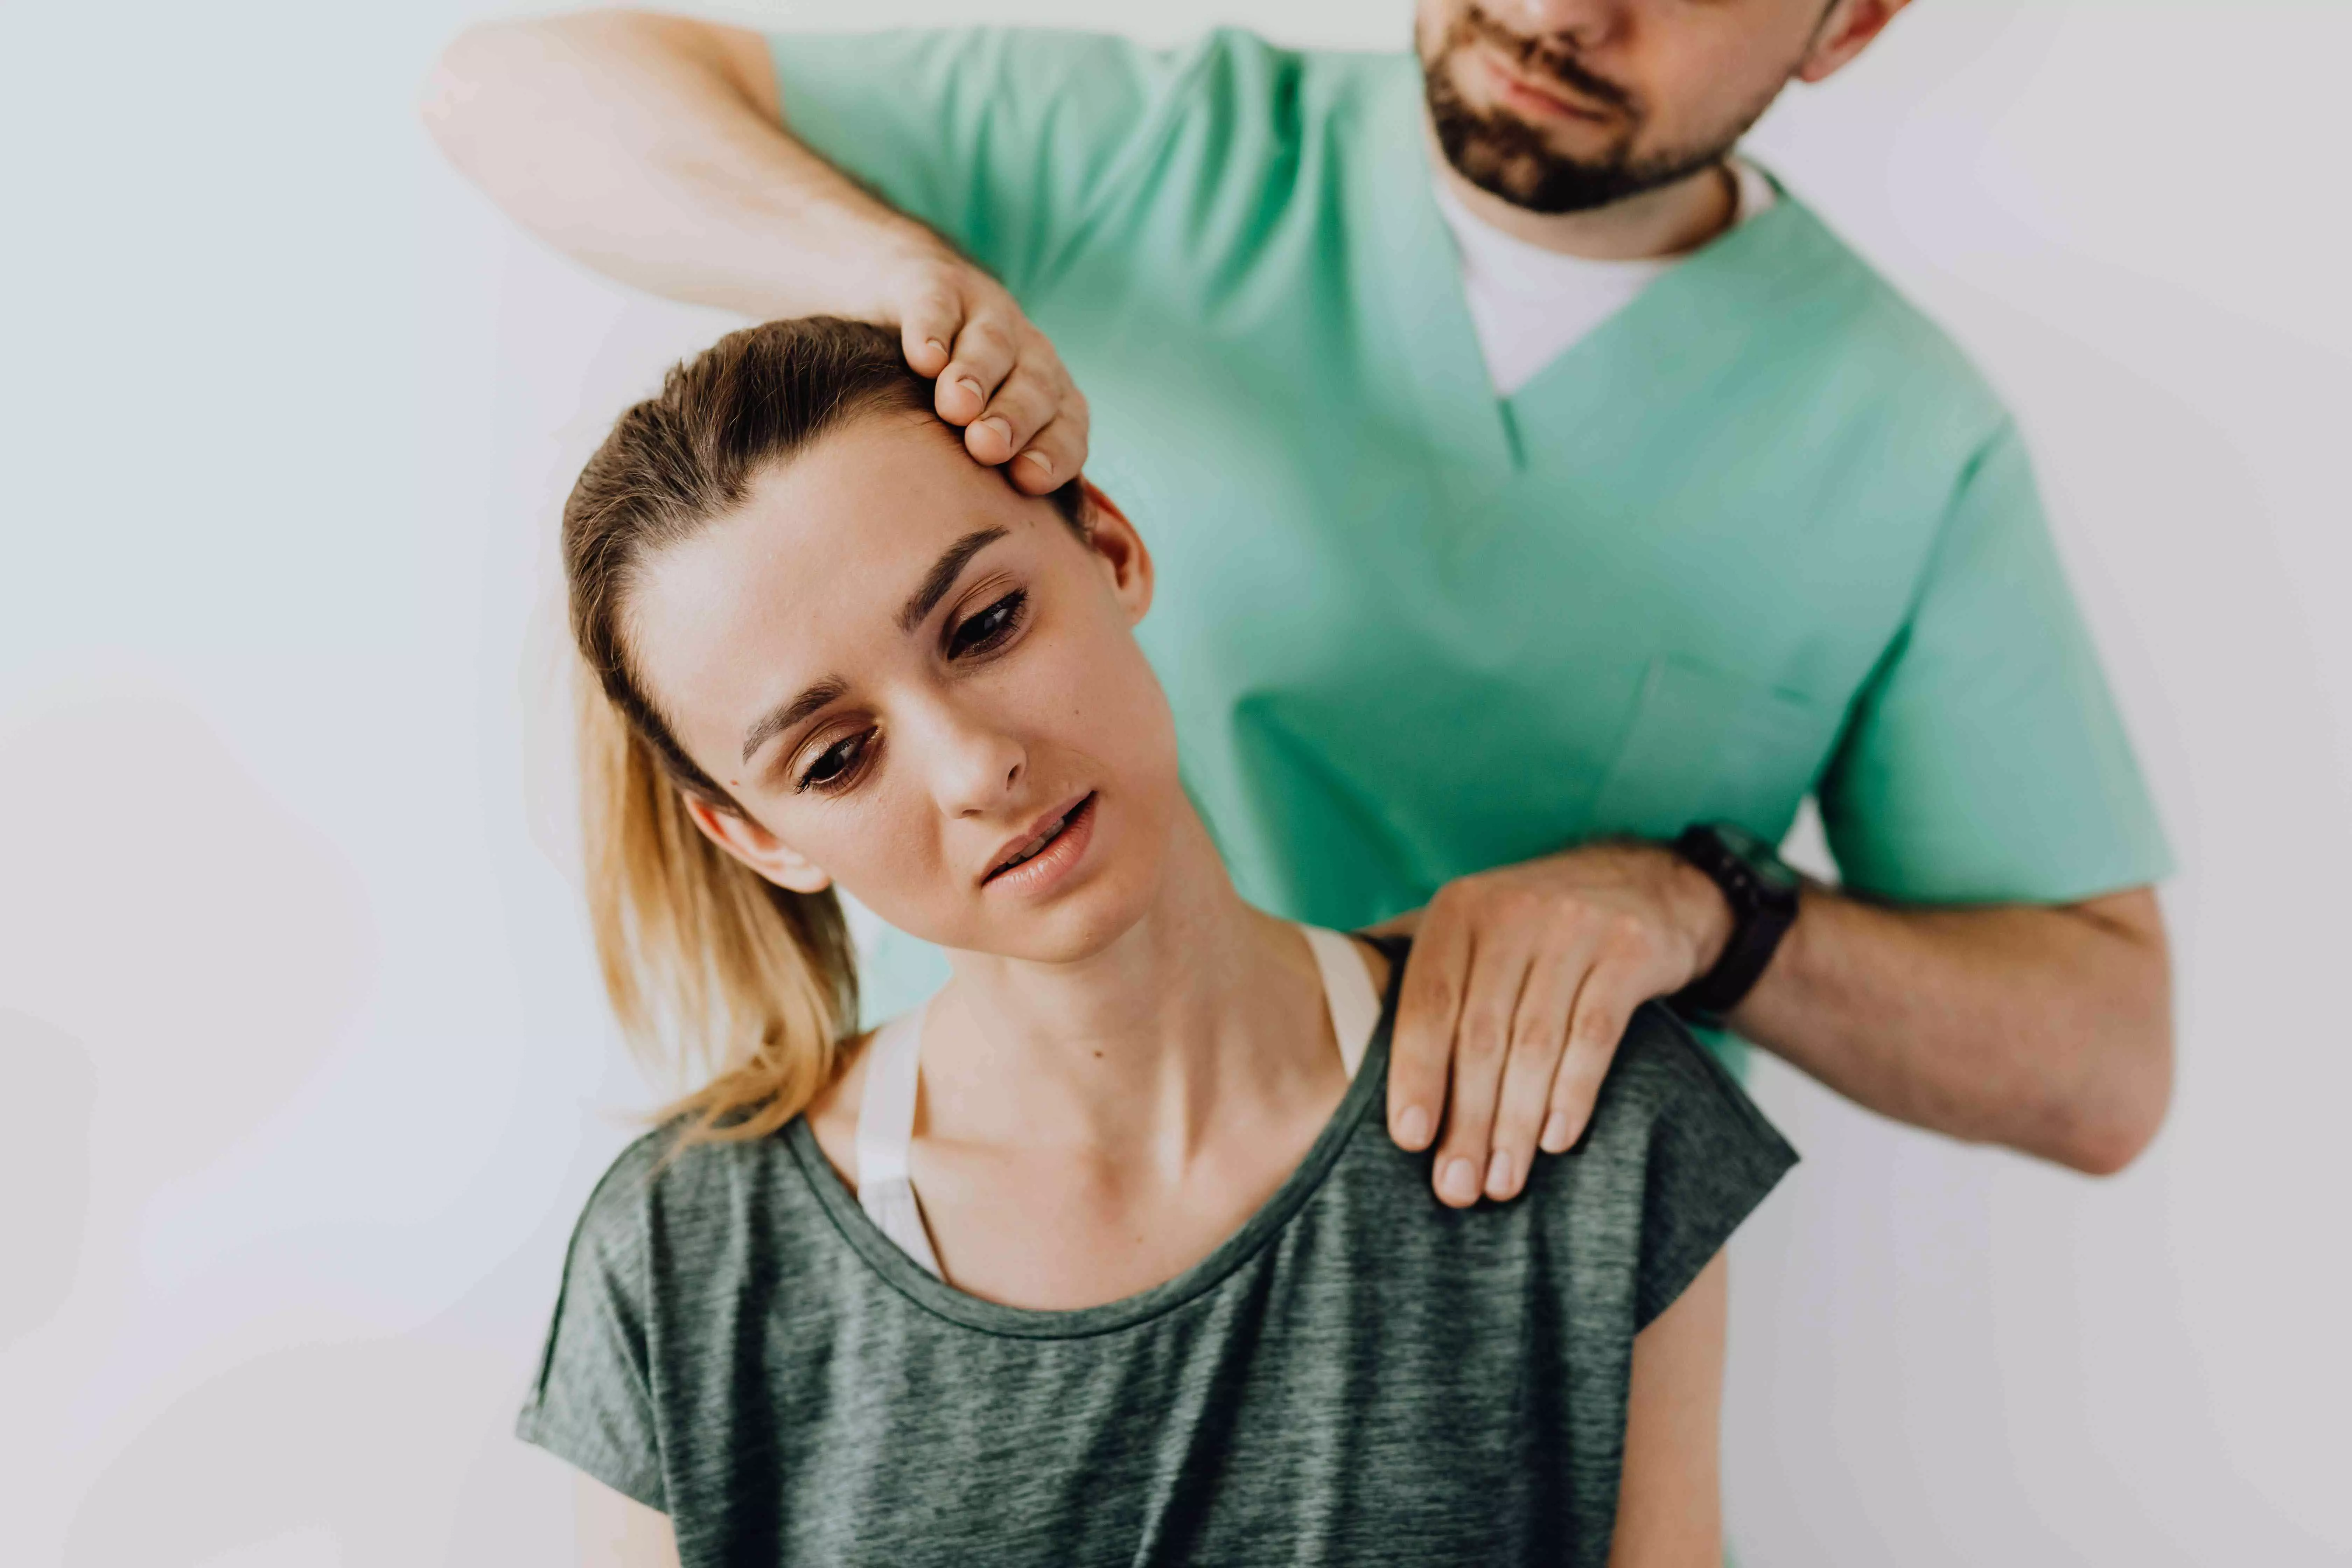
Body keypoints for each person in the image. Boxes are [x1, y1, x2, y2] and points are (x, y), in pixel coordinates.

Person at [422, 0, 2174, 1212]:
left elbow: (2105, 1067)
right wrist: (893, 275)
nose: (1558, 7)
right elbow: (508, 84)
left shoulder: (1903, 440)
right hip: (992, 1216)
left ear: (1851, 23)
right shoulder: (1143, 156)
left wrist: (1704, 908)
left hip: (1477, 1287)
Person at [525, 316, 1793, 1565]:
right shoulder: (684, 1263)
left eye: (984, 627)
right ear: (759, 841)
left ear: (1111, 548)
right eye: (838, 758)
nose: (976, 767)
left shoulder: (1580, 1111)